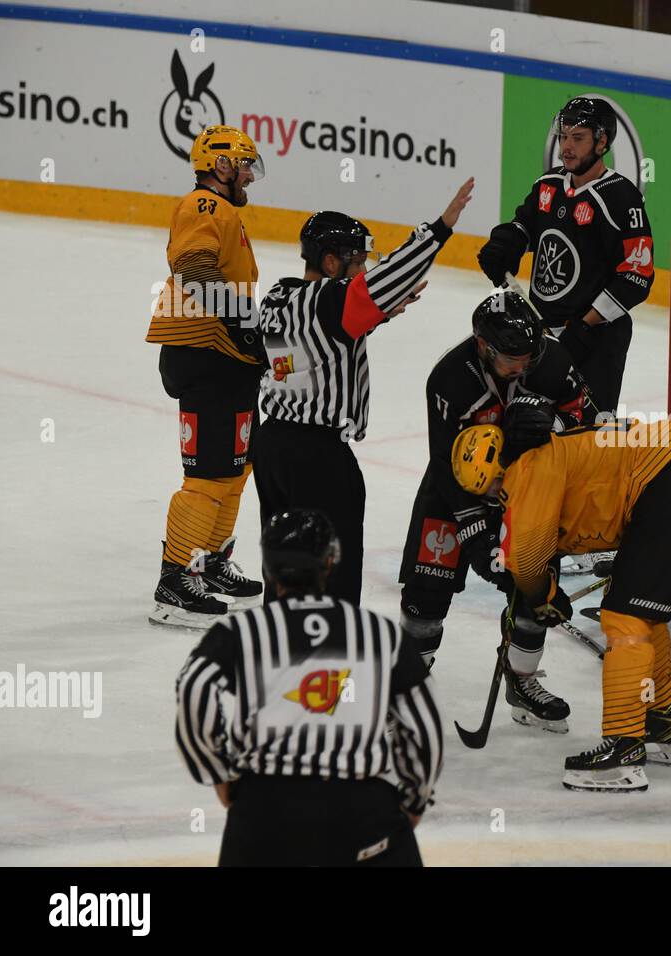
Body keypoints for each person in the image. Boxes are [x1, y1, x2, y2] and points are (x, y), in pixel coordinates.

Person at [451, 403, 671, 792]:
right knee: (642, 612)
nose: (496, 497)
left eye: (493, 489)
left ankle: (623, 750)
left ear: (499, 470)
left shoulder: (528, 470)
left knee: (623, 617)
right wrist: (544, 586)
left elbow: (526, 559)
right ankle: (657, 721)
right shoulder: (545, 459)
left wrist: (542, 596)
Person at [175, 509, 442, 866]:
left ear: (268, 569)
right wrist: (414, 799)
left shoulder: (243, 630)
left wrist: (217, 772)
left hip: (265, 815)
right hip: (361, 815)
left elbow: (194, 687)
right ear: (330, 563)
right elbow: (426, 725)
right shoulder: (379, 633)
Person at [254, 179, 474, 605]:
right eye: (357, 262)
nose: (363, 271)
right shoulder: (331, 302)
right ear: (331, 262)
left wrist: (375, 314)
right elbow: (383, 281)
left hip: (273, 447)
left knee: (284, 565)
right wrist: (439, 230)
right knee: (332, 574)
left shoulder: (280, 298)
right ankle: (330, 655)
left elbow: (296, 359)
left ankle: (279, 654)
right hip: (318, 460)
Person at [396, 291, 594, 731]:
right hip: (454, 495)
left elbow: (589, 422)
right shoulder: (449, 379)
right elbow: (444, 464)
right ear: (484, 347)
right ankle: (402, 690)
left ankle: (521, 682)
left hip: (531, 494)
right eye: (510, 359)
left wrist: (552, 426)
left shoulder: (554, 361)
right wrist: (476, 533)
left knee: (532, 596)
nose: (521, 367)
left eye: (528, 356)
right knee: (426, 597)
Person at [147, 125, 267, 628]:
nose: (248, 176)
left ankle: (208, 561)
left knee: (236, 468)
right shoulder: (205, 206)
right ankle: (176, 577)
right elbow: (195, 273)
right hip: (204, 353)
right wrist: (243, 326)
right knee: (209, 474)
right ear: (220, 166)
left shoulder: (224, 210)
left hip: (224, 354)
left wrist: (250, 336)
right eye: (243, 165)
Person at [476, 97, 652, 413]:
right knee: (527, 424)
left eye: (577, 138)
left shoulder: (621, 198)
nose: (565, 147)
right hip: (541, 333)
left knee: (585, 434)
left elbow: (636, 276)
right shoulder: (549, 184)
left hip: (596, 341)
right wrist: (506, 244)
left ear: (602, 142)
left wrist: (584, 327)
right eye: (563, 136)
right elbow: (526, 225)